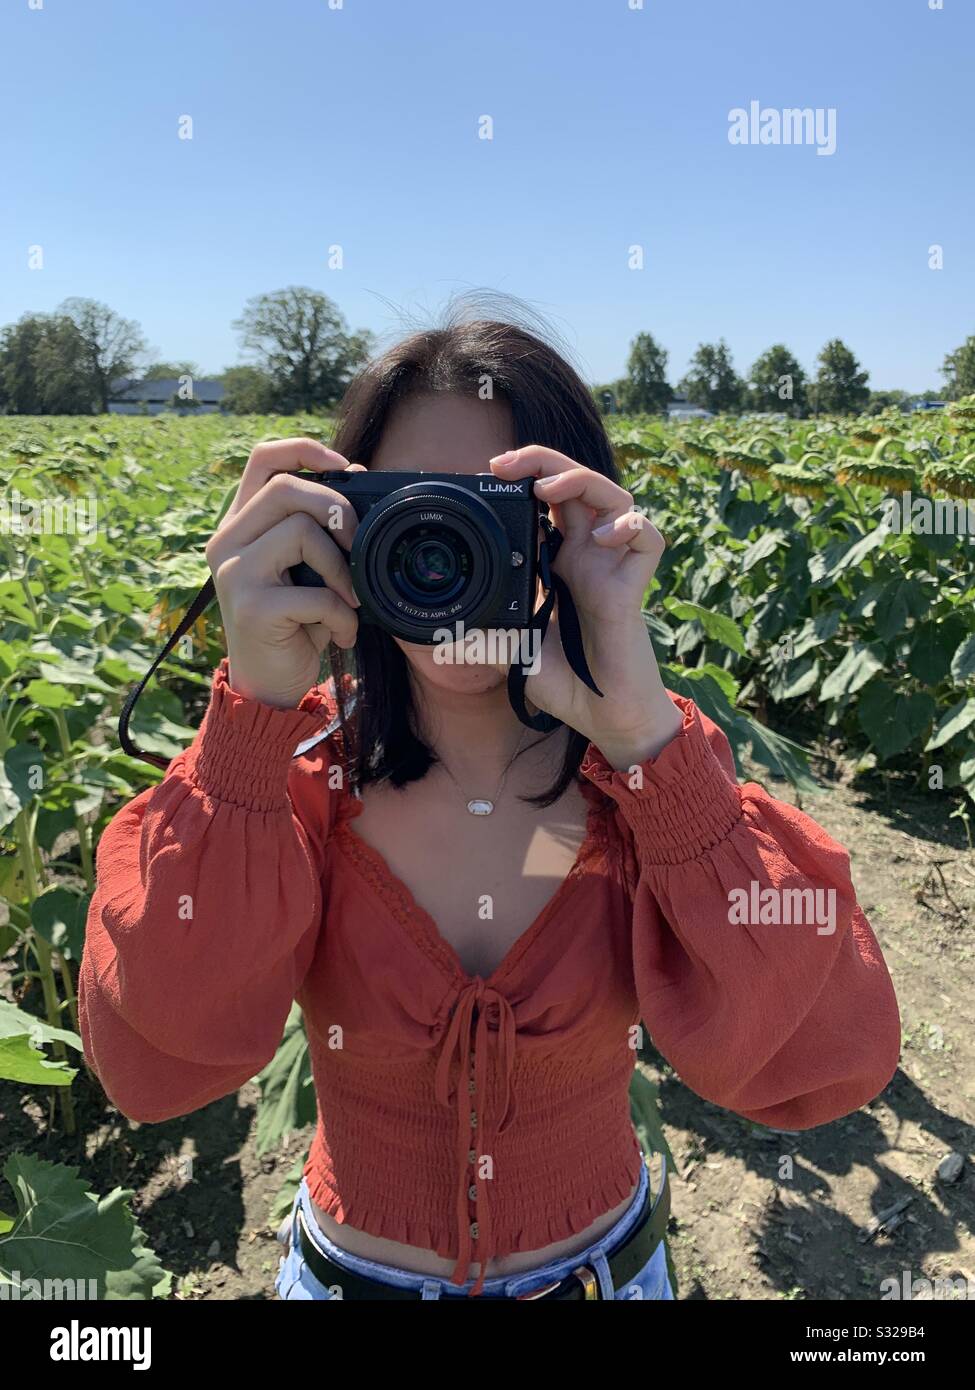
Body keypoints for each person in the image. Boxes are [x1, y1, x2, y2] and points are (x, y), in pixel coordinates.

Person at [79, 312, 901, 1301]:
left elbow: (825, 1057)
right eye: (413, 514)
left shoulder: (643, 778)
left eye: (492, 512)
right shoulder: (293, 780)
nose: (447, 556)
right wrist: (249, 718)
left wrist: (646, 740)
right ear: (338, 522)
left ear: (575, 525)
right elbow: (157, 1066)